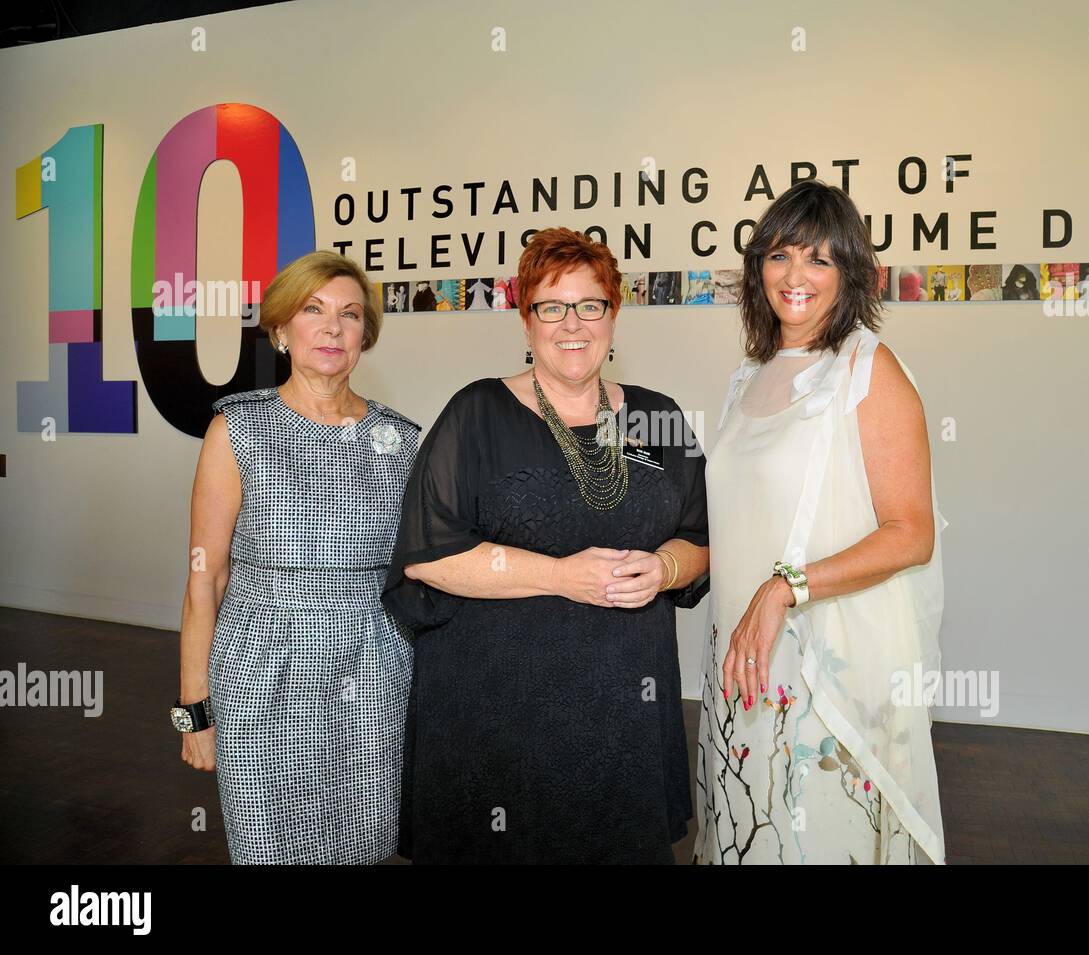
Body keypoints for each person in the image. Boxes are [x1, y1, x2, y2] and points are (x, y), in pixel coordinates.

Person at [381, 227, 710, 864]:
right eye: (550, 307)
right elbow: (431, 553)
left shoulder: (658, 416)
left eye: (590, 305)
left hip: (624, 710)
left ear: (614, 316)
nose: (572, 324)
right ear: (525, 321)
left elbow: (699, 538)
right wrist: (563, 575)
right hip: (501, 706)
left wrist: (665, 566)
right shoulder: (475, 414)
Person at [694, 180, 948, 865]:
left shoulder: (870, 369)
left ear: (850, 273)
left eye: (818, 259)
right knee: (752, 829)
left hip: (820, 670)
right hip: (744, 661)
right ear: (758, 271)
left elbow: (910, 531)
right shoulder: (748, 375)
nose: (795, 276)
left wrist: (785, 588)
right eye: (779, 256)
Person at [175, 250, 423, 863]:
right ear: (282, 329)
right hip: (261, 672)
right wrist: (192, 710)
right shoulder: (235, 429)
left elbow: (426, 568)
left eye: (350, 314)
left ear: (366, 334)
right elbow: (205, 577)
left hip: (374, 673)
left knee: (366, 847)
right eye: (313, 310)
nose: (333, 328)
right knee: (267, 849)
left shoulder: (404, 439)